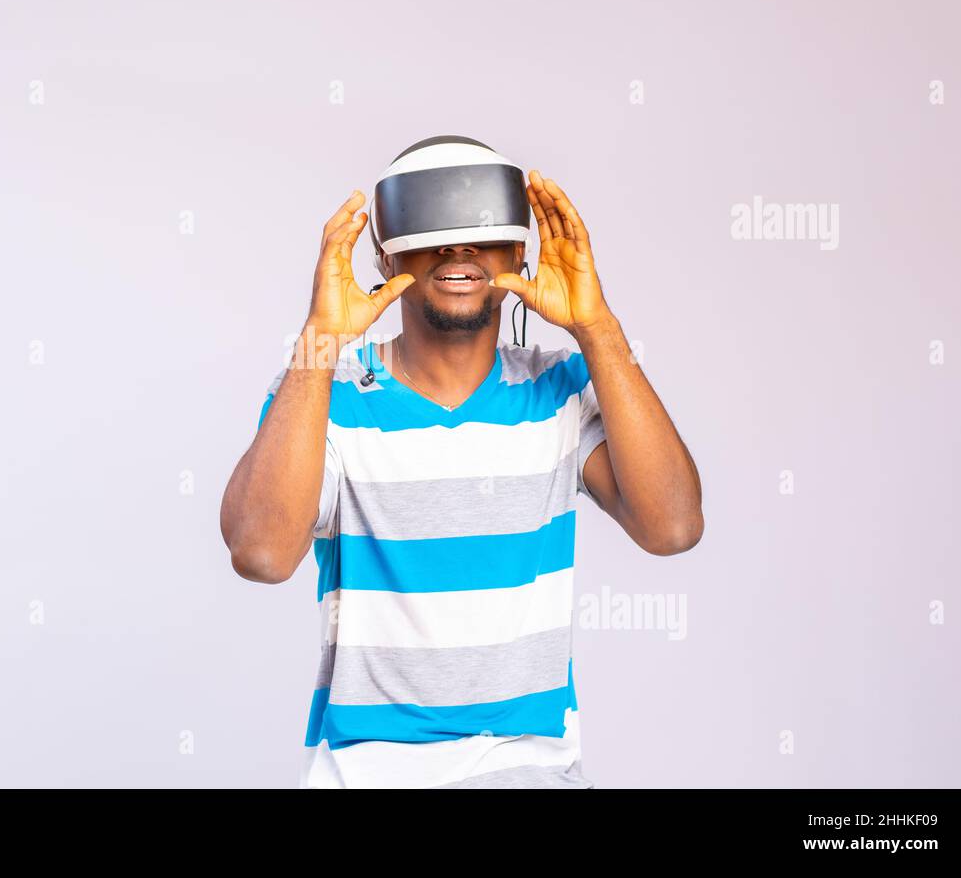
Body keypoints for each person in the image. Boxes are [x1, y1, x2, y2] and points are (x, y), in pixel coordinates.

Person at [219, 145, 704, 789]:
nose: (459, 251)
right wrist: (320, 339)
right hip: (368, 770)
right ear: (386, 256)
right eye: (435, 235)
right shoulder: (326, 392)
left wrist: (597, 327)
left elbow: (672, 527)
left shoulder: (560, 389)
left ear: (518, 254)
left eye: (483, 234)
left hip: (528, 768)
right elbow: (261, 554)